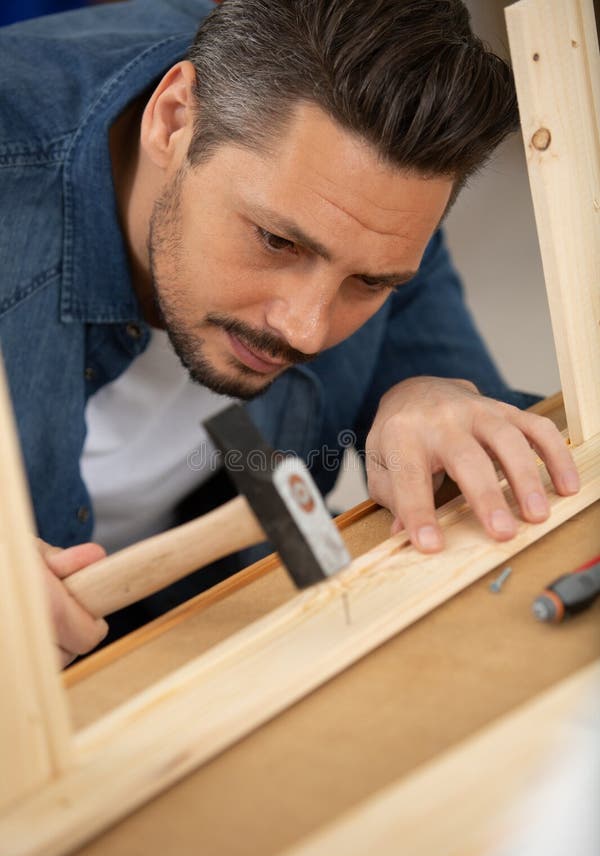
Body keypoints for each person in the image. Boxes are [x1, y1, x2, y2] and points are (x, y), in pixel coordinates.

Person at [0, 0, 579, 666]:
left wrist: (428, 395)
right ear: (174, 120)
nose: (304, 330)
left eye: (370, 282)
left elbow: (498, 482)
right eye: (277, 240)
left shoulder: (372, 205)